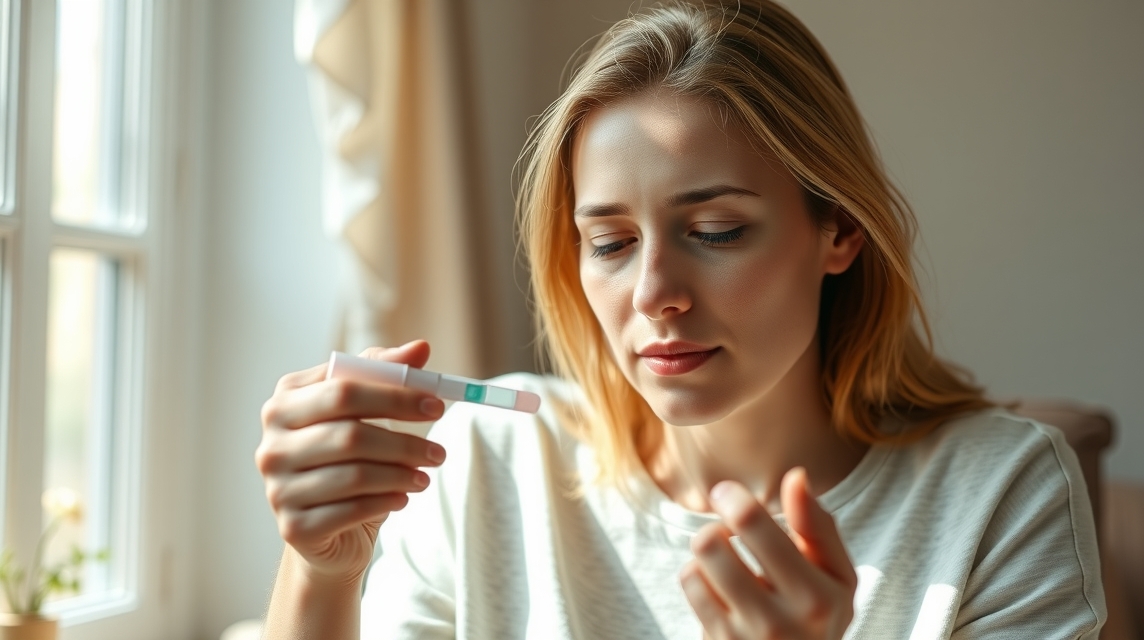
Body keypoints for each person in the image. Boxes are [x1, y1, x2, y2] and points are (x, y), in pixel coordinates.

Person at [255, 1, 1106, 638]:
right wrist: (320, 574)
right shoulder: (487, 460)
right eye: (611, 242)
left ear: (838, 230)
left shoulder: (1001, 492)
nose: (655, 290)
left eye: (715, 231)